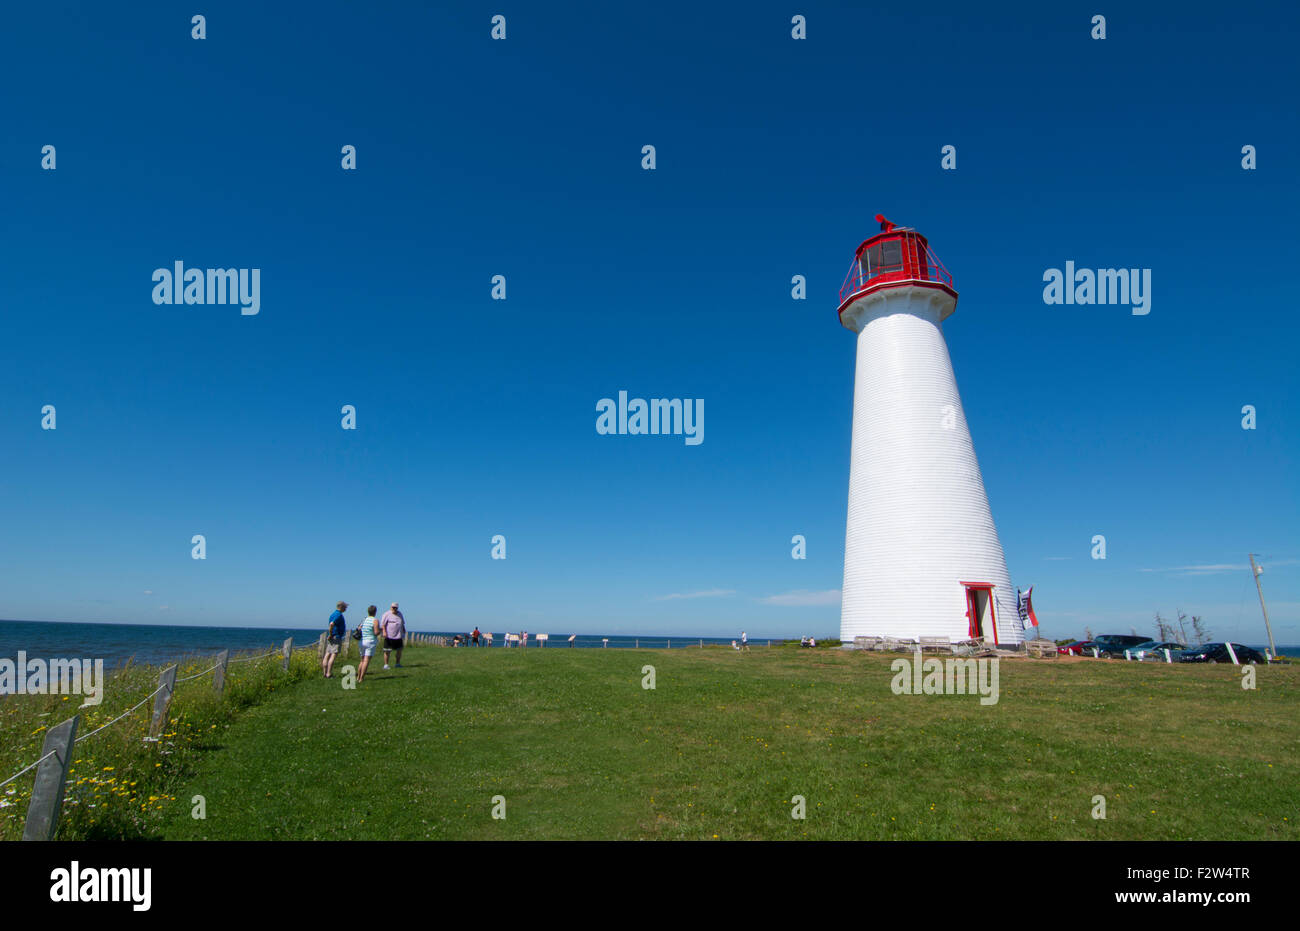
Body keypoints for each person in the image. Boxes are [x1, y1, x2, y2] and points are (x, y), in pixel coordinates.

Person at [323, 601, 348, 678]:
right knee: (333, 655)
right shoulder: (338, 615)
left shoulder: (333, 614)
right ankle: (329, 673)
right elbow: (331, 624)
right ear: (341, 607)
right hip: (336, 637)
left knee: (327, 654)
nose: (346, 609)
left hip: (332, 637)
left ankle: (324, 673)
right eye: (345, 607)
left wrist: (330, 634)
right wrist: (331, 634)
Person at [357, 605, 379, 683]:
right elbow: (376, 632)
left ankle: (358, 677)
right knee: (366, 660)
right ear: (375, 612)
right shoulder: (375, 620)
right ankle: (361, 678)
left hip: (362, 641)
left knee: (362, 660)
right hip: (370, 641)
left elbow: (359, 628)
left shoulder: (364, 619)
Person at [381, 602, 405, 668]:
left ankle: (397, 663)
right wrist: (384, 632)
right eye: (393, 607)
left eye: (395, 608)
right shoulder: (386, 614)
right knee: (387, 651)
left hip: (399, 636)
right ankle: (386, 664)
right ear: (390, 607)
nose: (394, 609)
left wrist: (404, 630)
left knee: (399, 650)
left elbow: (402, 623)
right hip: (389, 636)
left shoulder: (400, 614)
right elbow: (383, 624)